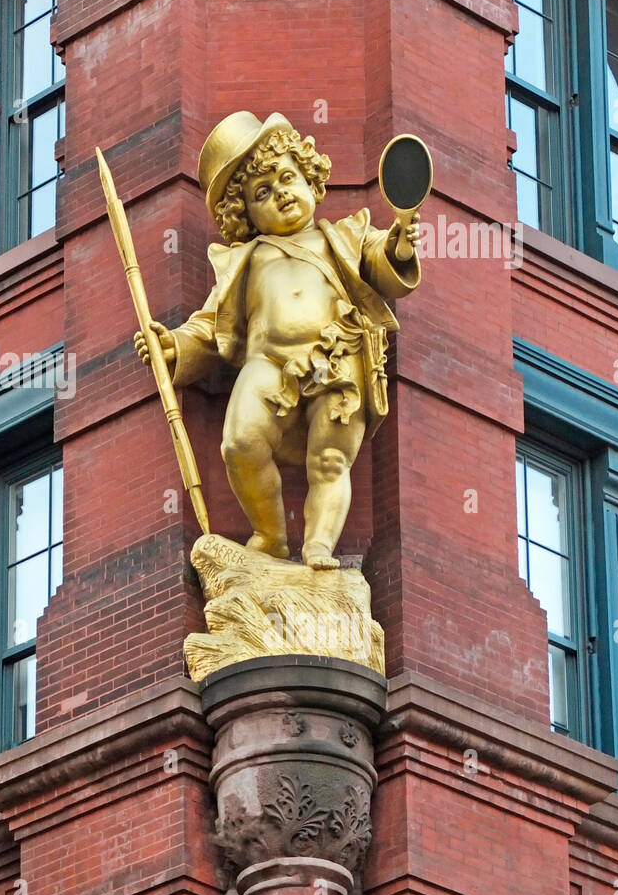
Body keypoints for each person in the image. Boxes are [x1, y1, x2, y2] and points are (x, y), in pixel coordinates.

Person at [136, 111, 421, 569]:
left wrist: (399, 247)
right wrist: (175, 347)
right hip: (266, 365)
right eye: (261, 193)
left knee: (330, 460)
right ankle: (270, 535)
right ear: (245, 213)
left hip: (337, 358)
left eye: (287, 177)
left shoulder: (343, 237)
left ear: (310, 179)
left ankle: (319, 547)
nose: (281, 193)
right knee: (239, 444)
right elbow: (211, 325)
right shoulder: (243, 262)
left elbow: (382, 261)